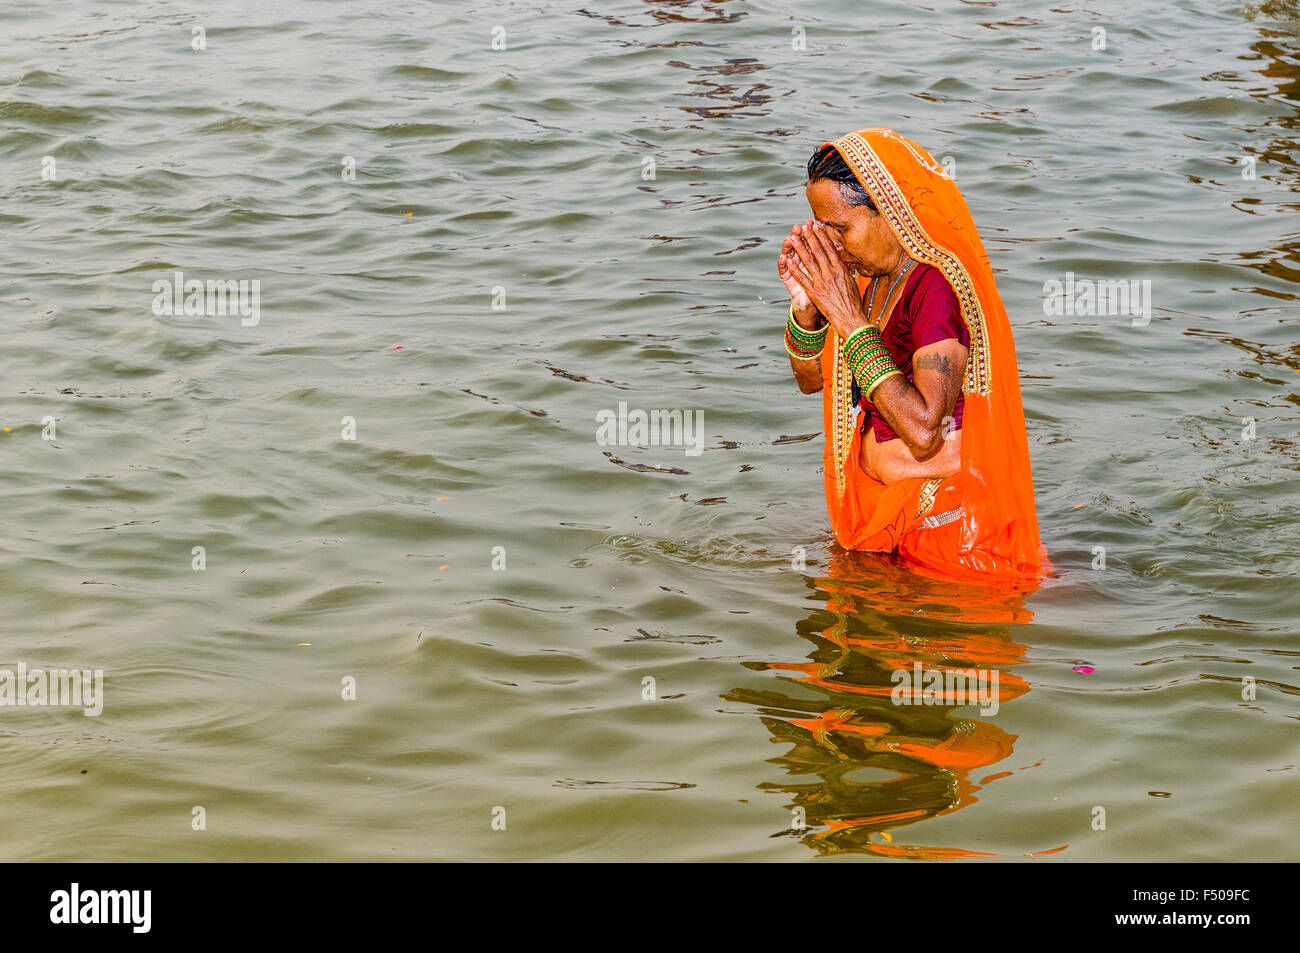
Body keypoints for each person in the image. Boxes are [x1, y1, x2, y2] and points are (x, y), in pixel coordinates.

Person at [777, 128, 1047, 581]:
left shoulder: (936, 287)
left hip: (950, 532)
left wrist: (845, 315)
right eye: (824, 229)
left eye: (842, 228)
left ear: (892, 213)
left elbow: (924, 431)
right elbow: (811, 383)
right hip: (891, 518)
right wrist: (807, 307)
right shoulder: (868, 277)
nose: (834, 245)